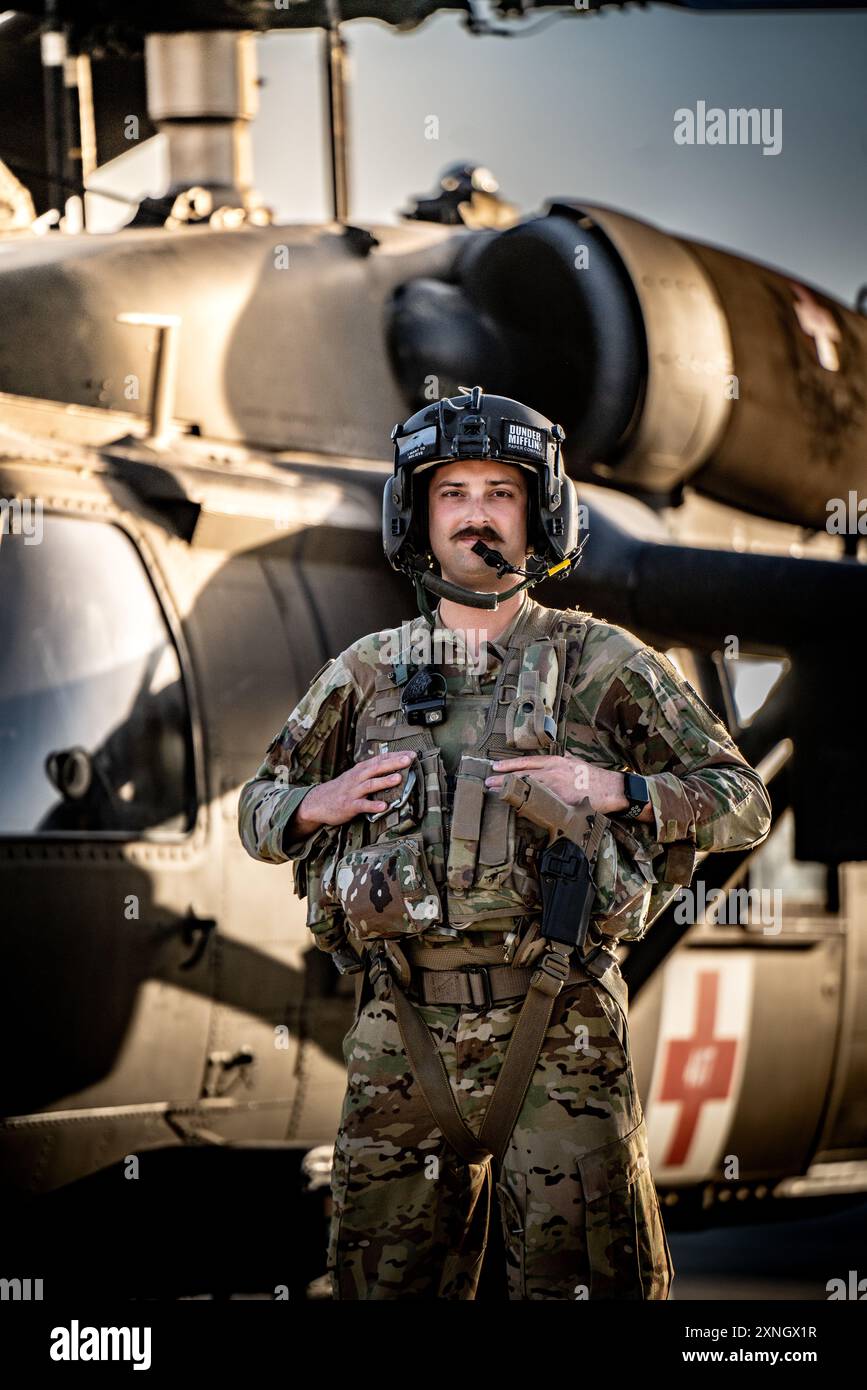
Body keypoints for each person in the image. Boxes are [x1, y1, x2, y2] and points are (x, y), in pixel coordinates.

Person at [238, 387, 772, 1300]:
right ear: (419, 514)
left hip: (559, 1028)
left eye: (500, 492)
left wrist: (620, 789)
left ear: (537, 515)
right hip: (399, 1029)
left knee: (585, 1286)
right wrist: (312, 804)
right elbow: (256, 809)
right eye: (453, 493)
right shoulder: (366, 671)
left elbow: (742, 804)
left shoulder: (603, 662)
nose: (476, 514)